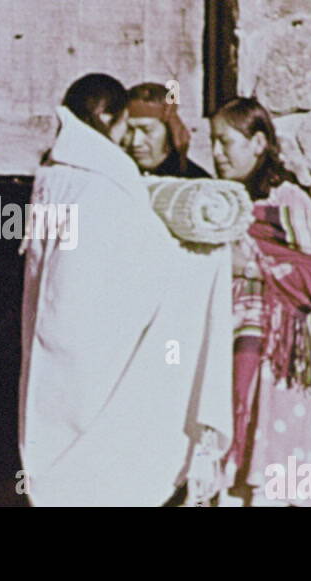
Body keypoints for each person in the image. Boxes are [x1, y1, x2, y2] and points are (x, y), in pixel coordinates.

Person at [18, 73, 233, 506]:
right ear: (111, 121)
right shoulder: (106, 180)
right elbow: (137, 266)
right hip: (95, 345)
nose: (133, 141)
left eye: (146, 130)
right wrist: (200, 262)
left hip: (63, 336)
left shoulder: (60, 172)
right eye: (128, 128)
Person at [210, 97, 311, 506]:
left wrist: (254, 266)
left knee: (270, 480)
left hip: (278, 364)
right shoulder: (219, 199)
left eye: (226, 142)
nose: (216, 152)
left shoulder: (290, 202)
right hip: (231, 350)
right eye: (213, 142)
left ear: (259, 143)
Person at [122, 82, 211, 178]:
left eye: (147, 130)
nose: (135, 142)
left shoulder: (195, 182)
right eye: (129, 130)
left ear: (169, 132)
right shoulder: (120, 175)